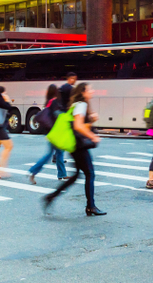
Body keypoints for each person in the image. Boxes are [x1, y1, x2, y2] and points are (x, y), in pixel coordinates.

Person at [43, 82, 104, 216]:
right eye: (90, 89)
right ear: (83, 92)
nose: (92, 91)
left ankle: (51, 197)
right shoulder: (81, 105)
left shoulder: (77, 105)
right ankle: (90, 206)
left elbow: (81, 125)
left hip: (76, 144)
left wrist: (91, 121)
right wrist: (93, 136)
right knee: (90, 174)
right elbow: (78, 126)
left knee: (77, 175)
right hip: (78, 145)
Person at [28, 85, 67, 184]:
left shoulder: (49, 102)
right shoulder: (54, 102)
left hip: (52, 131)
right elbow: (57, 115)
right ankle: (33, 171)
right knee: (50, 155)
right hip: (54, 132)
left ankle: (62, 174)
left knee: (59, 153)